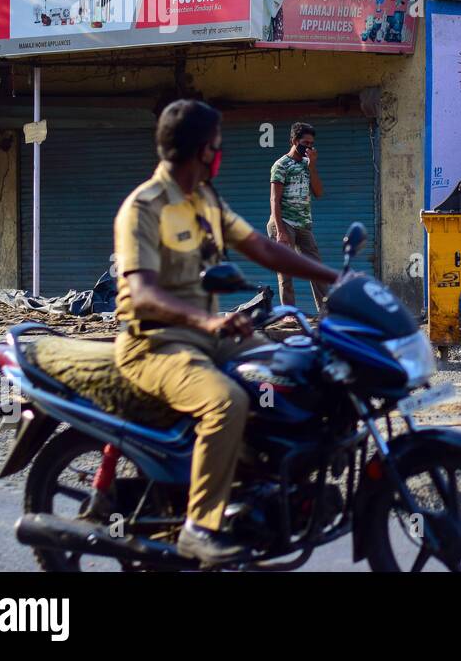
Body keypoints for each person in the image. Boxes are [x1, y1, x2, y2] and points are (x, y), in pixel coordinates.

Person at [113, 100, 340, 565]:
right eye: (217, 145)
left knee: (293, 367)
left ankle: (262, 480)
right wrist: (209, 320)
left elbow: (261, 247)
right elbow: (143, 294)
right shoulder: (145, 207)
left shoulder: (206, 199)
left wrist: (338, 279)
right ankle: (199, 526)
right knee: (227, 401)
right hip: (155, 344)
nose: (222, 153)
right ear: (201, 150)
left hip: (209, 336)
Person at [268, 122, 331, 314]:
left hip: (304, 224)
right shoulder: (281, 165)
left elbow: (319, 193)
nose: (309, 147)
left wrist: (312, 167)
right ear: (294, 141)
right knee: (286, 272)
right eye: (305, 143)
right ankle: (289, 314)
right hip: (283, 223)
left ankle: (325, 313)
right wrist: (280, 231)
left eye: (312, 143)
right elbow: (274, 199)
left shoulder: (307, 164)